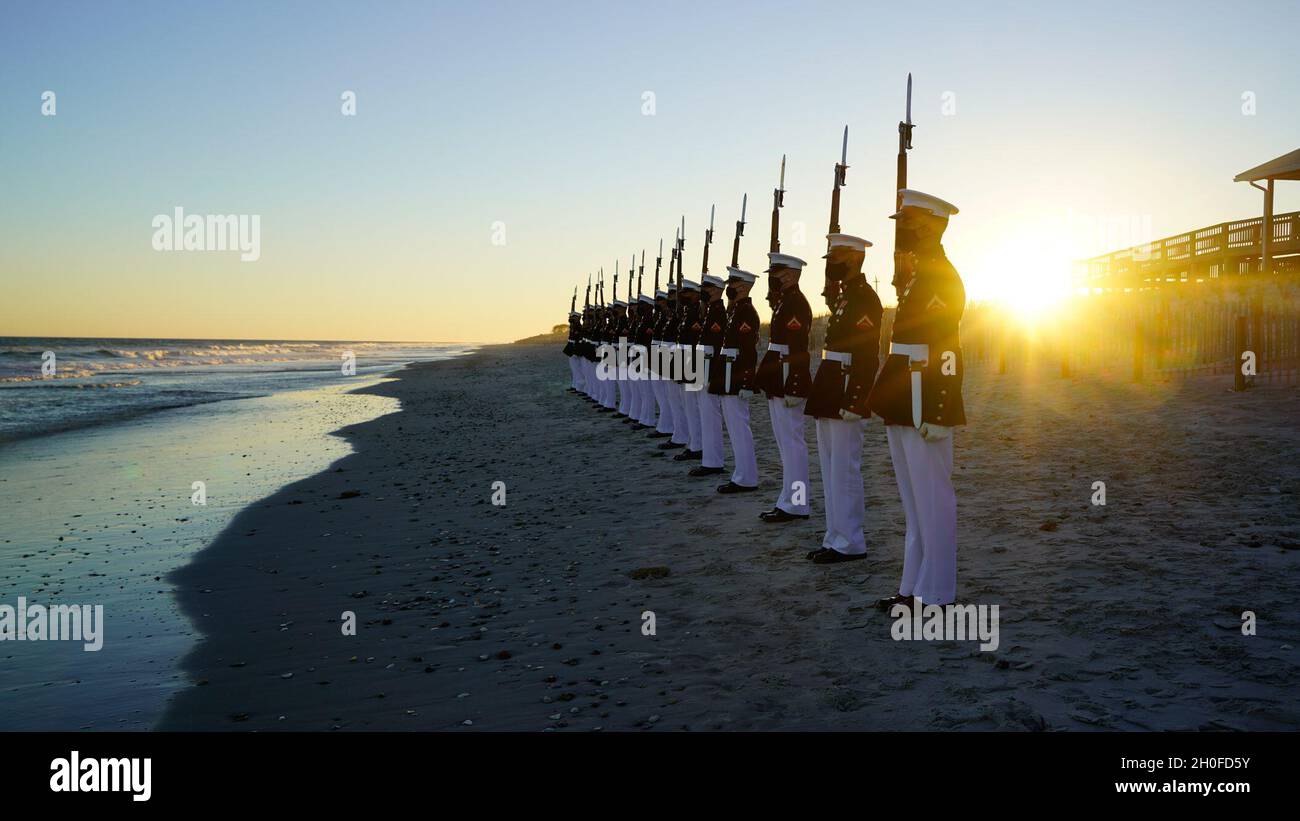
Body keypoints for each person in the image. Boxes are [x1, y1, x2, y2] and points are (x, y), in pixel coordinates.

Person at [868, 189, 966, 607]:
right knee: (913, 499)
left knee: (933, 497)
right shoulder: (918, 275)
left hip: (926, 396)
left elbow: (946, 347)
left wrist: (942, 409)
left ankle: (938, 591)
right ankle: (913, 585)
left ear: (932, 226)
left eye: (909, 224)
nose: (903, 233)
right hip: (903, 391)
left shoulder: (941, 275)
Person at [804, 234, 883, 564]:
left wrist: (856, 398)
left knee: (845, 469)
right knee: (829, 467)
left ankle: (851, 540)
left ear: (853, 259)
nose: (831, 266)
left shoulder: (865, 298)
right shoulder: (845, 297)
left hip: (847, 386)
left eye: (836, 260)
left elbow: (867, 354)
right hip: (831, 383)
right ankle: (835, 536)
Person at [754, 252, 812, 523]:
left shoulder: (797, 303)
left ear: (790, 275)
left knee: (793, 445)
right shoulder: (785, 303)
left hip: (788, 375)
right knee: (784, 444)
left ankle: (798, 503)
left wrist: (795, 385)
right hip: (779, 373)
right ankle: (788, 500)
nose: (773, 281)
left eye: (776, 276)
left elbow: (799, 349)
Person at [713, 266, 761, 493]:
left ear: (742, 287)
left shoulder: (747, 312)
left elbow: (749, 351)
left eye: (731, 284)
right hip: (728, 372)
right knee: (733, 426)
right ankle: (741, 474)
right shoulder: (735, 311)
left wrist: (746, 382)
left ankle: (747, 477)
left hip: (736, 375)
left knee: (739, 426)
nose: (728, 287)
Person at [690, 274, 728, 476]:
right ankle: (709, 459)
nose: (702, 291)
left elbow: (715, 346)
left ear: (716, 290)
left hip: (709, 367)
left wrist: (712, 373)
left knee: (710, 414)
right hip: (702, 365)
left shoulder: (719, 312)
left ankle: (713, 461)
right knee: (704, 413)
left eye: (706, 288)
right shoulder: (709, 312)